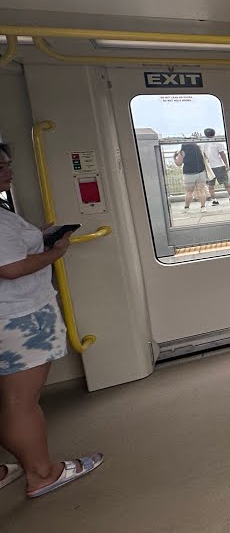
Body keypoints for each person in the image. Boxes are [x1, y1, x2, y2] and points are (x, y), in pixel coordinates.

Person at [0, 143, 104, 498]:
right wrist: (54, 252)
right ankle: (42, 474)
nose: (8, 169)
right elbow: (10, 268)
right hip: (16, 318)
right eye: (0, 165)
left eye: (8, 162)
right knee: (18, 401)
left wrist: (35, 238)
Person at [201, 128, 230, 205]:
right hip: (219, 165)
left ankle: (214, 200)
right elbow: (222, 154)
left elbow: (203, 155)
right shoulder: (218, 143)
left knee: (211, 185)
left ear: (205, 134)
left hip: (209, 167)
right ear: (214, 134)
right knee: (226, 182)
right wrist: (226, 164)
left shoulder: (203, 144)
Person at [173, 139, 208, 212]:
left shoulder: (182, 152)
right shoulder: (199, 149)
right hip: (201, 172)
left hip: (188, 174)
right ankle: (203, 207)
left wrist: (174, 158)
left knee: (189, 192)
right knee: (201, 191)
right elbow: (206, 159)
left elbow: (179, 163)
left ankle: (187, 207)